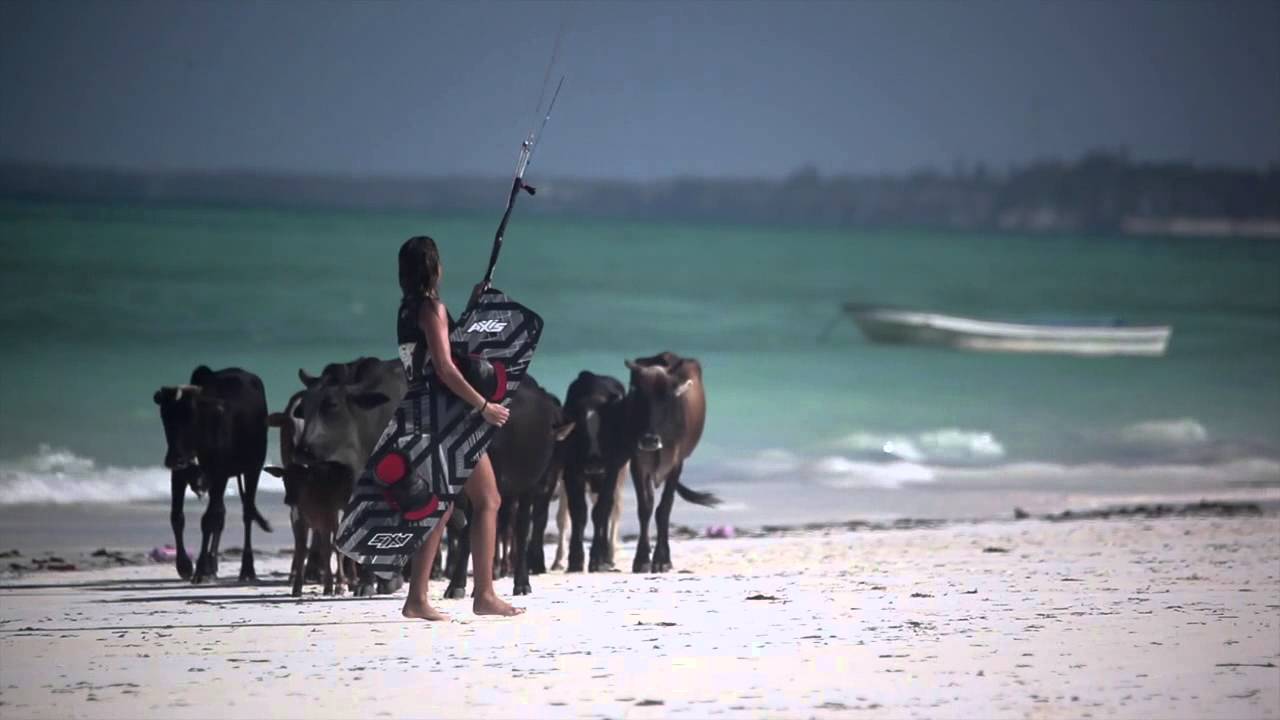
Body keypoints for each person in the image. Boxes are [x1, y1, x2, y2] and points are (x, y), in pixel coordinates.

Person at [394, 235, 522, 620]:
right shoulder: (432, 308)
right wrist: (484, 406)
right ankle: (482, 594)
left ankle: (418, 598)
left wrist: (471, 308)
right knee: (487, 500)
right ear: (434, 267)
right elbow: (447, 369)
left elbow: (443, 351)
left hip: (423, 414)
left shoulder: (408, 310)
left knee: (444, 506)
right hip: (448, 418)